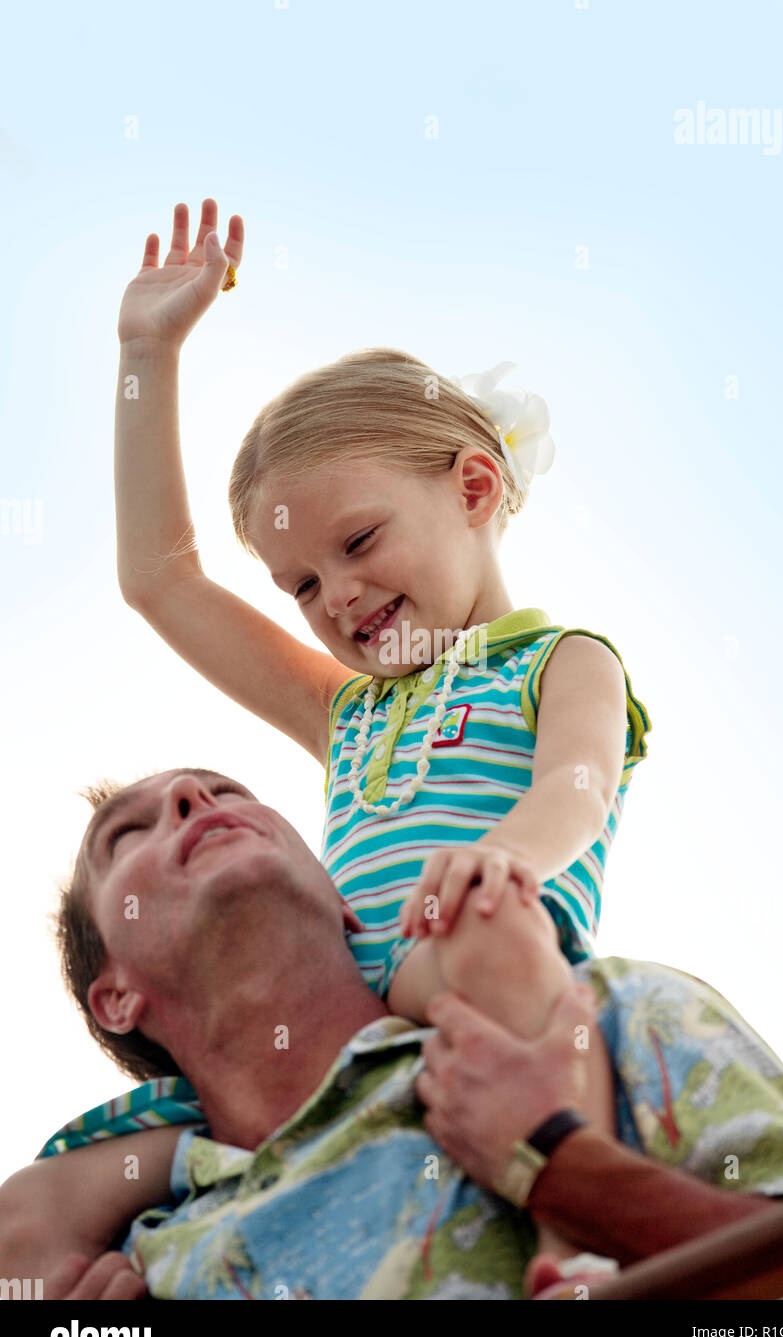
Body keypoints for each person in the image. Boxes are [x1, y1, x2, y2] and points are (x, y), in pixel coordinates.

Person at [113, 196, 654, 1264]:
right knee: (72, 1185)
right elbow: (160, 580)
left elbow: (579, 785)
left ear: (474, 485)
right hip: (341, 1007)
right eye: (301, 584)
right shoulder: (345, 707)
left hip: (481, 963)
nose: (338, 596)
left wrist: (498, 861)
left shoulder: (561, 660)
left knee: (494, 931)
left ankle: (574, 1241)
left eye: (358, 541)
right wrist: (145, 353)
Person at [2, 769, 783, 1301]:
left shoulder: (603, 1020)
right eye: (128, 835)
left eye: (227, 789)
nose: (195, 799)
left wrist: (564, 1167)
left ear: (340, 900)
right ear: (113, 998)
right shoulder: (136, 1265)